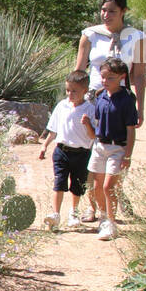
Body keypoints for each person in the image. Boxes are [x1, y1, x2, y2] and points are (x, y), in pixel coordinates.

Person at [75, 0, 146, 222]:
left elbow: (139, 75)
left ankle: (113, 197)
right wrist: (74, 103)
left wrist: (140, 107)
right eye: (104, 10)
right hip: (93, 99)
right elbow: (79, 71)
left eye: (112, 11)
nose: (106, 15)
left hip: (119, 101)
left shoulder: (136, 38)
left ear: (124, 11)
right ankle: (92, 205)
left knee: (119, 149)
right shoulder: (91, 35)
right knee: (91, 150)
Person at [79, 57, 137, 241]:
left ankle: (111, 224)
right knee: (97, 186)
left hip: (117, 148)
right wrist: (88, 125)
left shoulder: (127, 99)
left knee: (108, 187)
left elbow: (130, 129)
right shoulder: (101, 96)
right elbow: (97, 126)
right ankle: (103, 218)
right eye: (103, 77)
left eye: (110, 78)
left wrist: (127, 155)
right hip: (100, 145)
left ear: (121, 77)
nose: (105, 81)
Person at [37, 71, 94, 231]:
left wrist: (88, 124)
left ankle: (74, 212)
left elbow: (92, 135)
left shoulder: (90, 109)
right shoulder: (62, 106)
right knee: (59, 182)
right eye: (68, 90)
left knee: (77, 184)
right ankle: (56, 214)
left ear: (85, 90)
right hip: (61, 151)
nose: (70, 94)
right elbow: (53, 130)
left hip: (82, 153)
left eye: (74, 91)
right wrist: (45, 145)